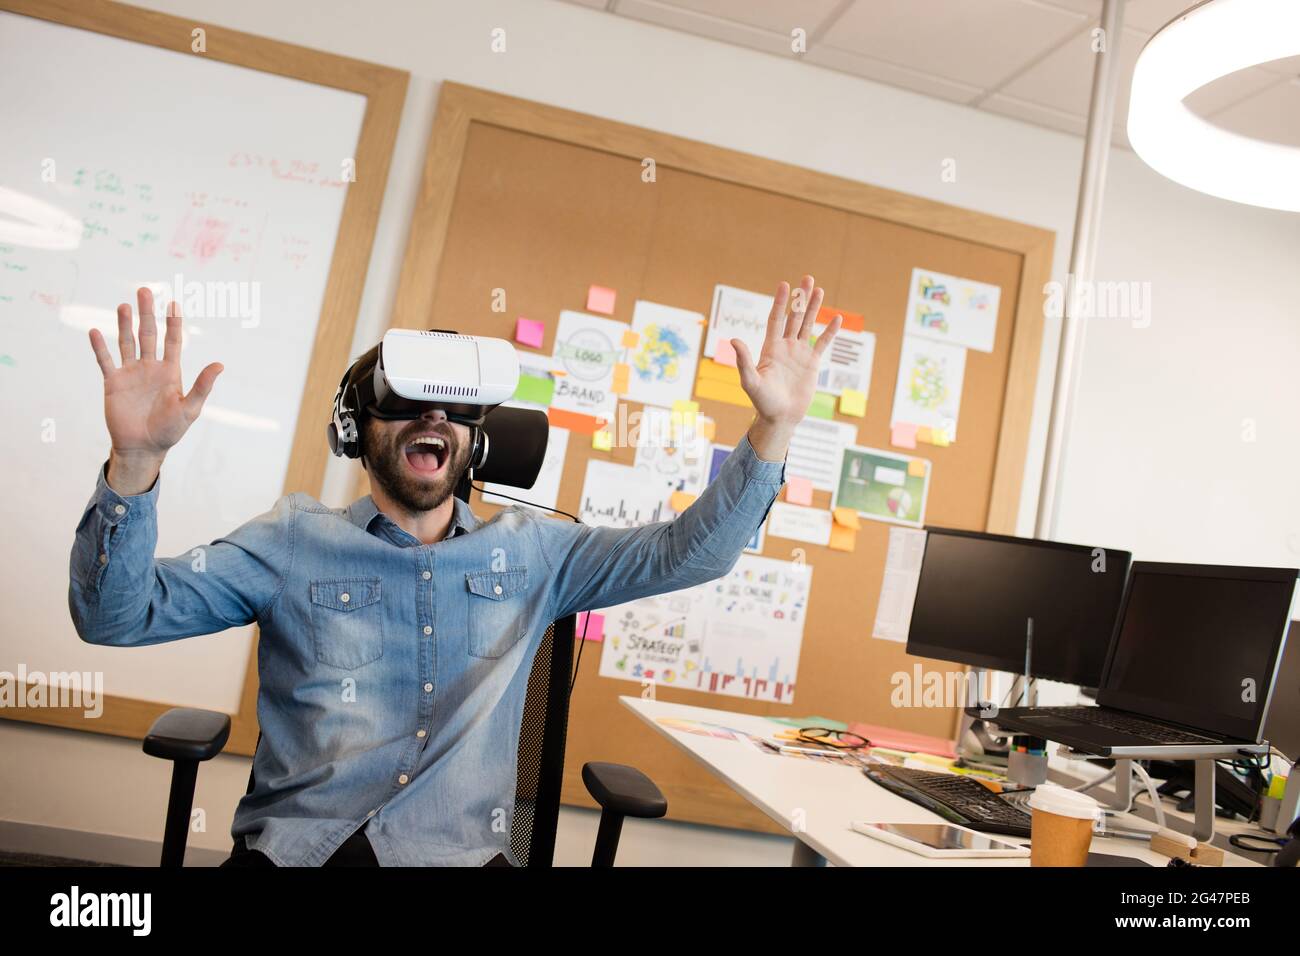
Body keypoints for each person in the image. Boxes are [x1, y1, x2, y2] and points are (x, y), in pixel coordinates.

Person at [70, 276, 841, 866]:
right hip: (302, 855)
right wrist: (135, 463)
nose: (433, 417)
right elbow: (114, 616)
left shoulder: (540, 554)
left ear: (477, 439)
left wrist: (776, 425)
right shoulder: (290, 542)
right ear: (355, 428)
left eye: (455, 406)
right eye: (406, 398)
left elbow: (693, 552)